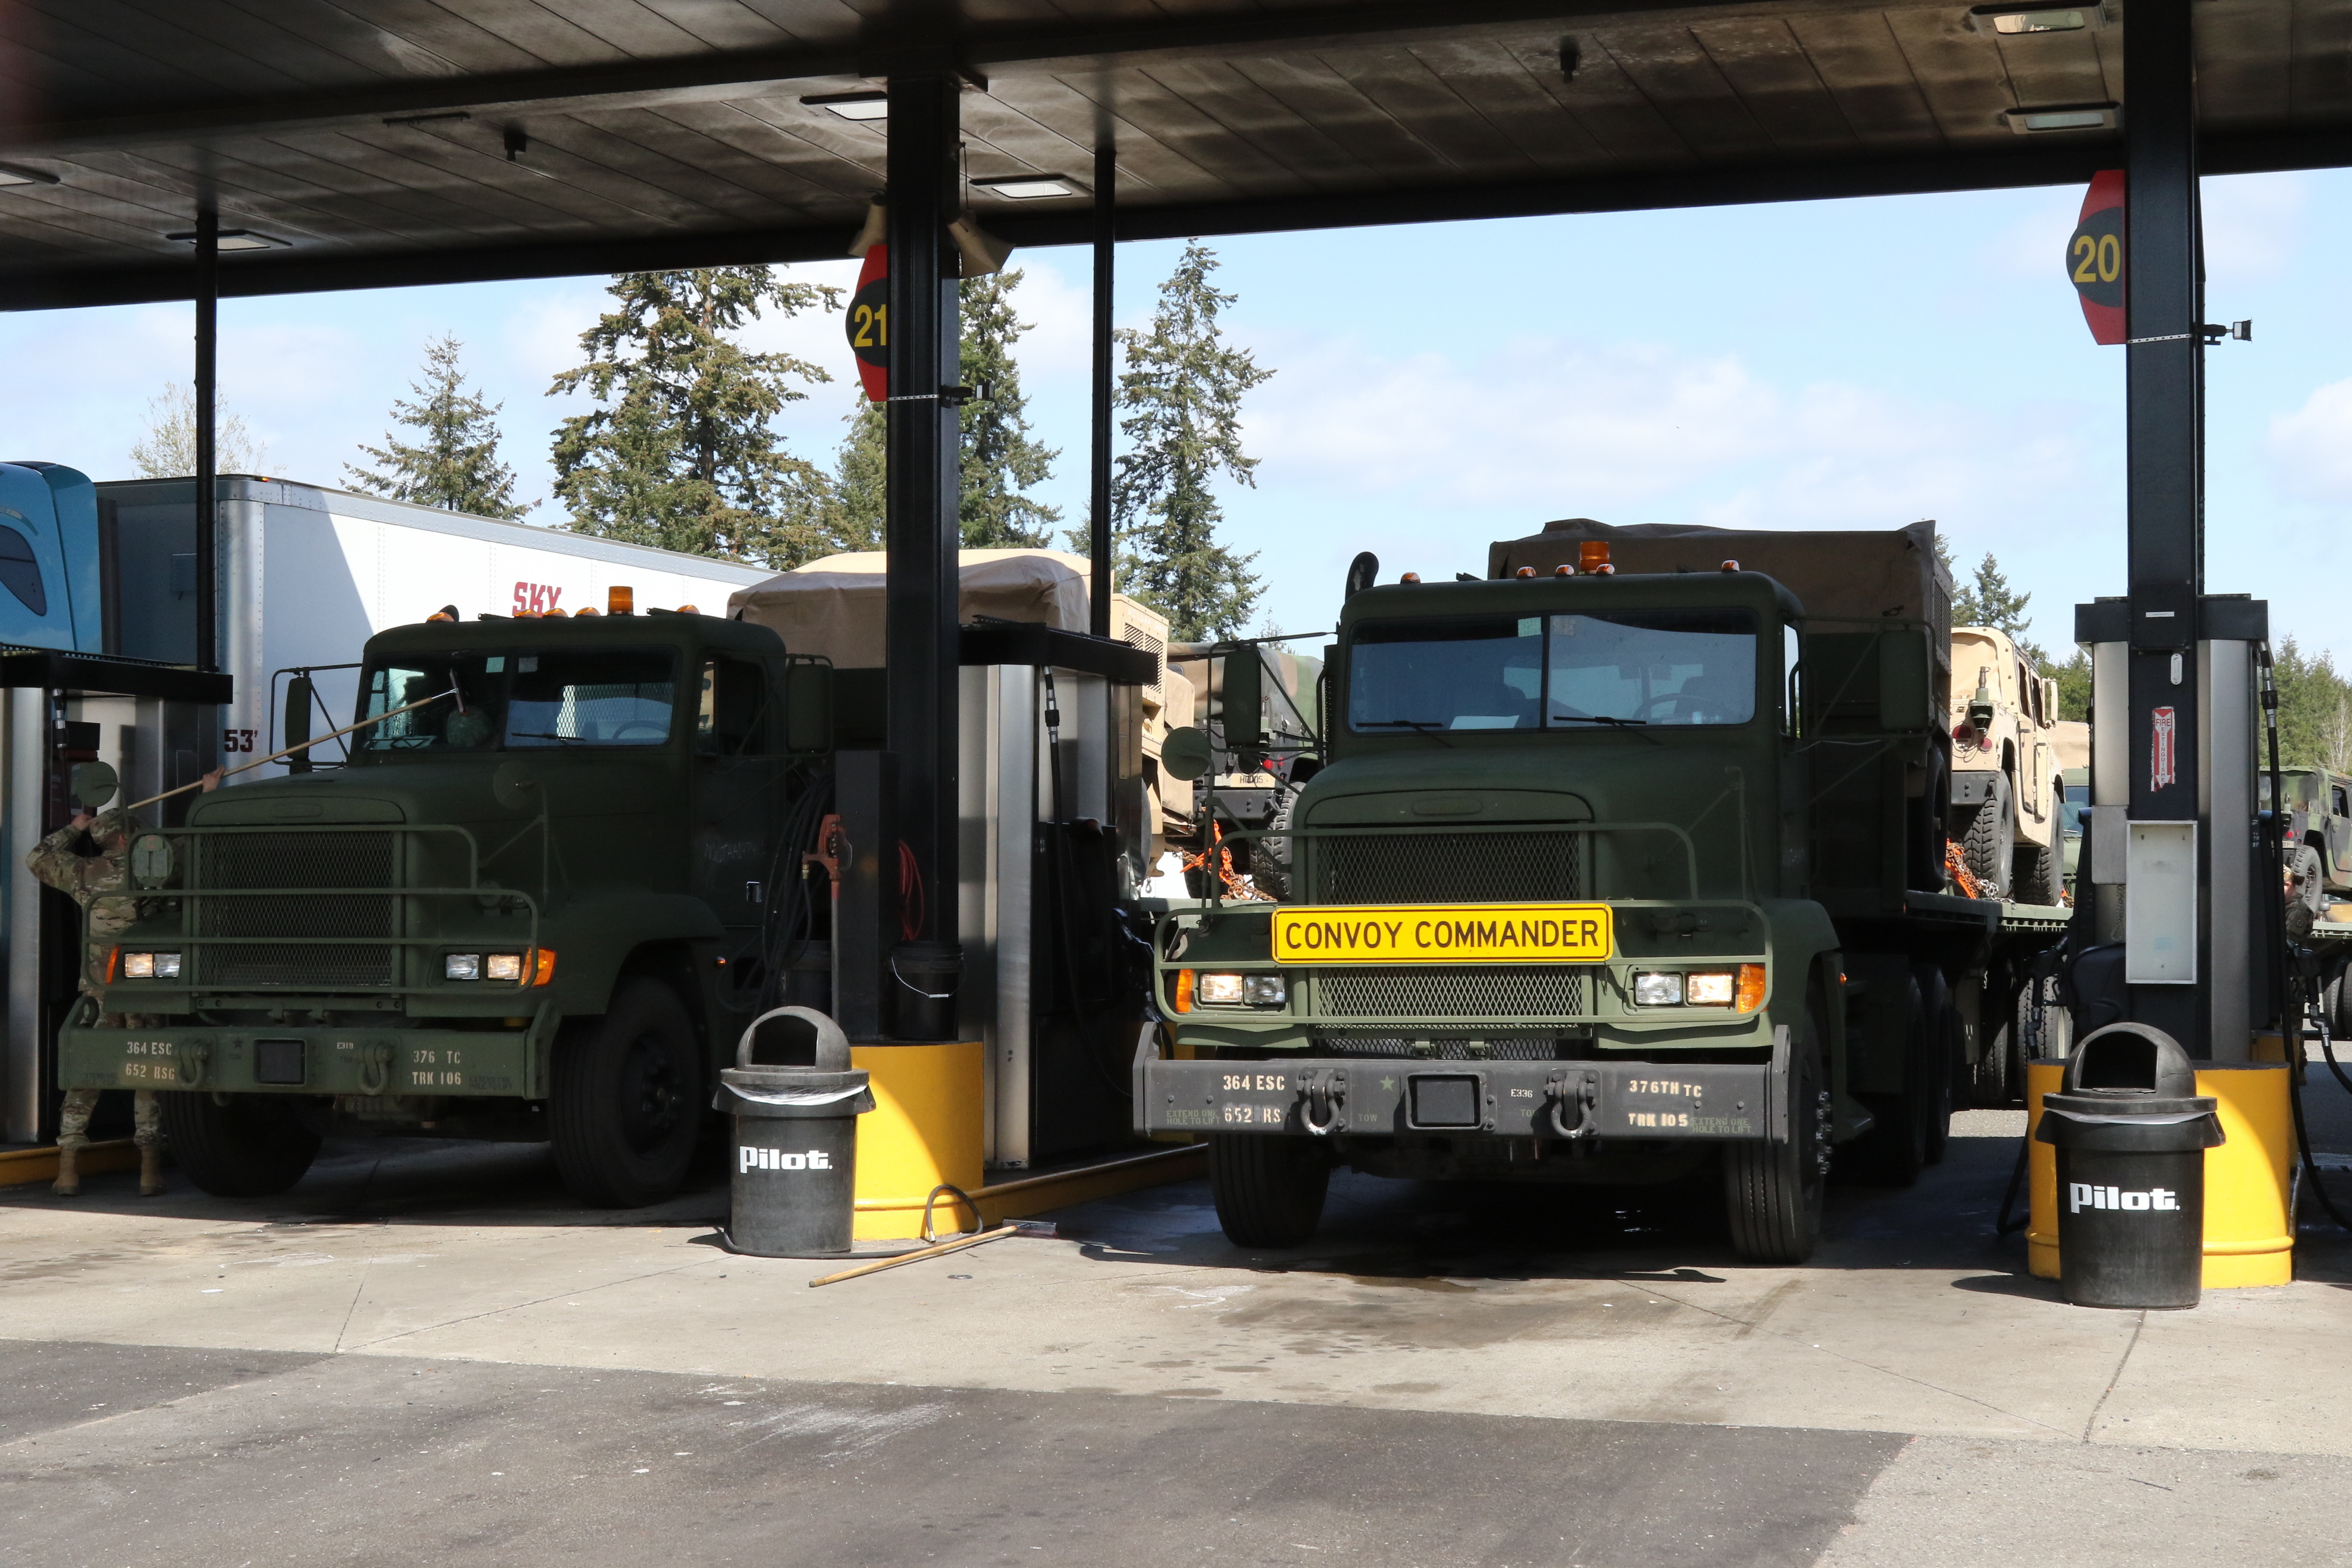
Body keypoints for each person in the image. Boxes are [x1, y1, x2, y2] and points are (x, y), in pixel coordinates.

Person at [30, 760, 218, 1196]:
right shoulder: (159, 872)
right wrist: (206, 796)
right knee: (147, 1075)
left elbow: (37, 858)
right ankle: (149, 1170)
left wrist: (74, 827)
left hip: (99, 993)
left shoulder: (85, 874)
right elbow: (200, 848)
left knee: (88, 1075)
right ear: (124, 837)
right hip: (146, 993)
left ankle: (68, 1168)